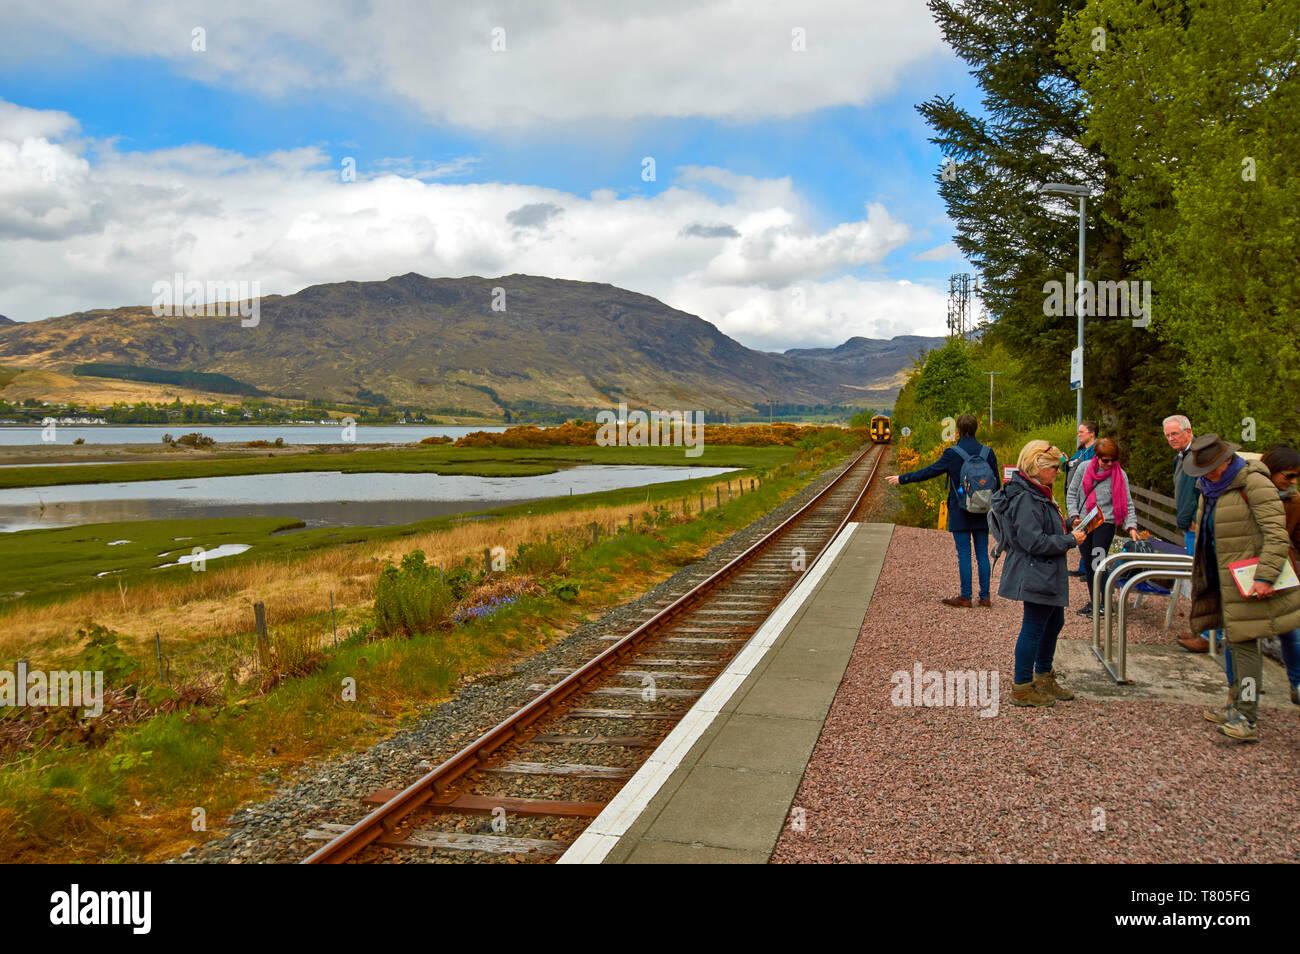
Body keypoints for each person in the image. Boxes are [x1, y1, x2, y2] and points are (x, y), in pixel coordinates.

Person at [1185, 434, 1300, 742]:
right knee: (1234, 644)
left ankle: (1246, 717)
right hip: (1222, 578)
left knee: (1247, 645)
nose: (1204, 474)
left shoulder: (1254, 483)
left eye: (1208, 467)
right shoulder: (1209, 488)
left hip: (1249, 579)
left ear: (1224, 462)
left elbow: (1276, 534)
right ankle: (1235, 704)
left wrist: (1265, 576)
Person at [994, 440, 1088, 706]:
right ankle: (1022, 686)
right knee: (1034, 628)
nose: (1058, 472)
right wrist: (1071, 539)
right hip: (1035, 571)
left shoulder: (1035, 491)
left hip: (1042, 571)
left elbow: (1040, 529)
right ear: (1038, 466)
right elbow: (1032, 541)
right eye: (1054, 468)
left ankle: (1043, 676)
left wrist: (1067, 524)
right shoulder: (1027, 496)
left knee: (1053, 623)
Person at [886, 413, 1000, 608]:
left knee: (964, 553)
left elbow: (929, 471)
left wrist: (903, 478)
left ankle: (965, 597)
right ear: (975, 429)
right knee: (981, 553)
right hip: (983, 509)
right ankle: (985, 597)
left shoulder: (952, 453)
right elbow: (996, 483)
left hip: (960, 509)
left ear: (958, 430)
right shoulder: (988, 453)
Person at [1065, 436, 1139, 617]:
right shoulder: (1083, 468)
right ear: (1097, 457)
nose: (1109, 464)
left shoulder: (1120, 474)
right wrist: (1074, 515)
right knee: (1089, 564)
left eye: (1113, 460)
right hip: (1084, 522)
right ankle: (1095, 601)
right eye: (1106, 460)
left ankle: (1105, 603)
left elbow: (1127, 503)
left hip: (1105, 523)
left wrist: (1131, 526)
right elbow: (1072, 493)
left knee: (1099, 562)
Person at [1165, 414, 1209, 651]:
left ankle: (1210, 636)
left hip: (1198, 528)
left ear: (1188, 432)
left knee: (1204, 581)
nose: (1171, 438)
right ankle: (1201, 629)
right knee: (1197, 580)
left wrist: (1195, 519)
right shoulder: (1181, 458)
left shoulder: (1200, 457)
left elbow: (1207, 490)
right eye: (1168, 435)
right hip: (1188, 527)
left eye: (1175, 434)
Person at [1065, 421, 1098, 577]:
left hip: (1089, 497)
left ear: (1092, 433)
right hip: (1076, 495)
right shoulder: (1082, 451)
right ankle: (1084, 567)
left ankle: (1090, 571)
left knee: (1090, 533)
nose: (1079, 434)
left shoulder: (1096, 450)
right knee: (1082, 531)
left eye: (1082, 432)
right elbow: (1072, 464)